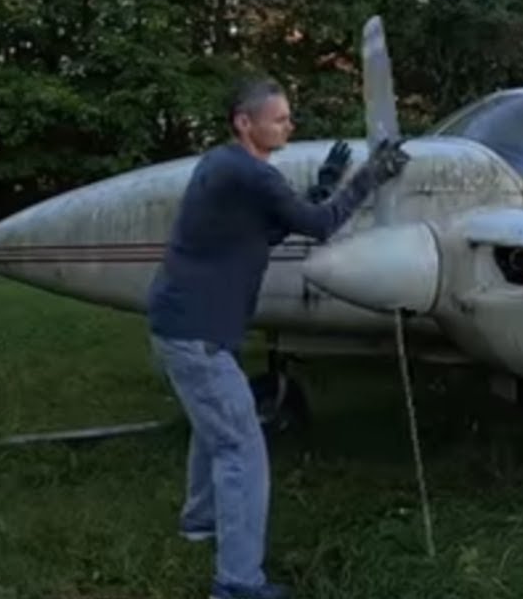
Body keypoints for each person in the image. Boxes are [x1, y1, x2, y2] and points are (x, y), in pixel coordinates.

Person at [146, 76, 409, 599]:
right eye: (279, 118)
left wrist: (322, 185)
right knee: (242, 450)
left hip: (183, 324)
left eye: (289, 116)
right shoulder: (250, 174)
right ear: (245, 123)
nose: (290, 124)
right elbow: (319, 226)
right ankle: (237, 583)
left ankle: (200, 522)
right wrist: (367, 177)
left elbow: (269, 228)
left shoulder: (224, 165)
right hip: (197, 332)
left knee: (213, 427)